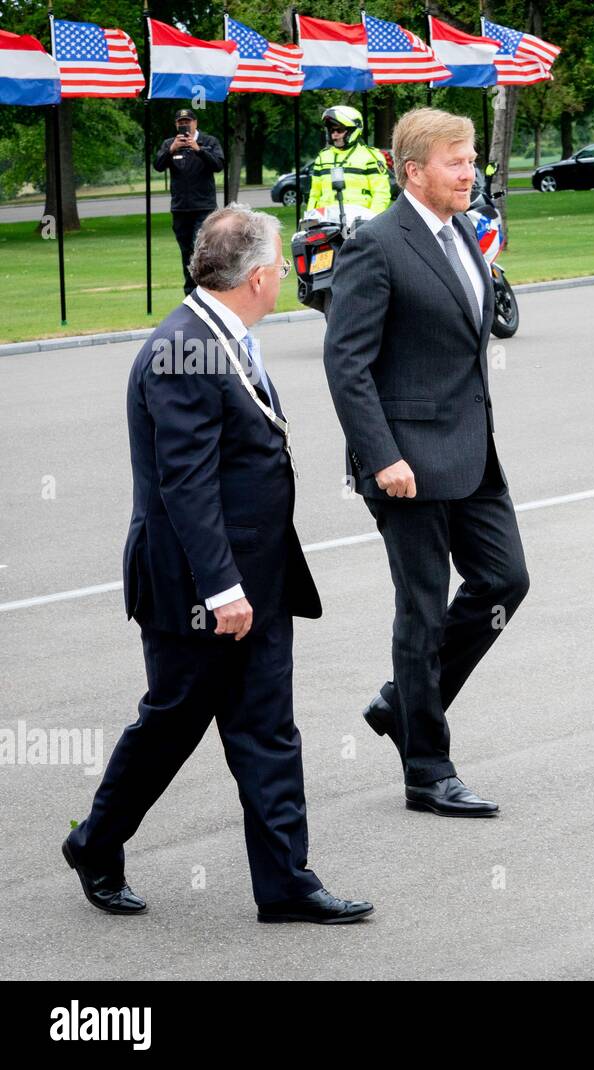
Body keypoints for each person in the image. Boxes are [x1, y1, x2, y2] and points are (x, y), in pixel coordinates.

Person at [63, 205, 373, 924]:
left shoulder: (222, 334)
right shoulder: (183, 349)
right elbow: (185, 482)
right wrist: (223, 586)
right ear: (262, 277)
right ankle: (96, 841)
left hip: (256, 575)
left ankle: (286, 884)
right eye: (284, 267)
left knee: (266, 725)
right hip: (196, 586)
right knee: (171, 721)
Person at [323, 108, 529, 817]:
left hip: (471, 455)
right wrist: (382, 458)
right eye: (456, 161)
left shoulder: (466, 233)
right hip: (405, 464)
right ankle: (426, 770)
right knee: (420, 611)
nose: (471, 171)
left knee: (505, 582)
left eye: (472, 159)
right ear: (414, 171)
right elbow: (347, 364)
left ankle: (401, 701)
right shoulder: (375, 247)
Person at [153, 108, 224, 294]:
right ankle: (191, 292)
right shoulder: (170, 144)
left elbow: (218, 165)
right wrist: (171, 150)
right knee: (186, 251)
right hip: (180, 208)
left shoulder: (208, 142)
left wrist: (198, 150)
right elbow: (158, 166)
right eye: (180, 122)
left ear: (195, 122)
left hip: (204, 207)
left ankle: (206, 288)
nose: (184, 125)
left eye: (188, 121)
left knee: (199, 247)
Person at [305, 104, 392, 217]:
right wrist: (309, 218)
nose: (334, 134)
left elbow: (381, 193)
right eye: (331, 130)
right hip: (327, 222)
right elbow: (314, 194)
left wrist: (372, 221)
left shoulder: (371, 156)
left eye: (339, 130)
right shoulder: (322, 158)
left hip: (360, 221)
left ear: (353, 130)